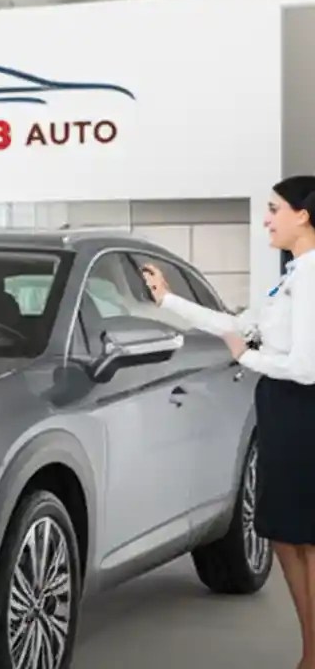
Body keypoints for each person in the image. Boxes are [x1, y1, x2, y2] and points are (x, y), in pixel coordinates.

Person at [144, 175, 315, 669]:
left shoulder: (310, 275)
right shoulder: (292, 274)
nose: (267, 218)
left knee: (301, 533)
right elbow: (239, 325)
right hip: (283, 409)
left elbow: (305, 365)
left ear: (304, 215)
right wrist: (167, 301)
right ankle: (312, 651)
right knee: (286, 533)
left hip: (301, 411)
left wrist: (247, 359)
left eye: (274, 208)